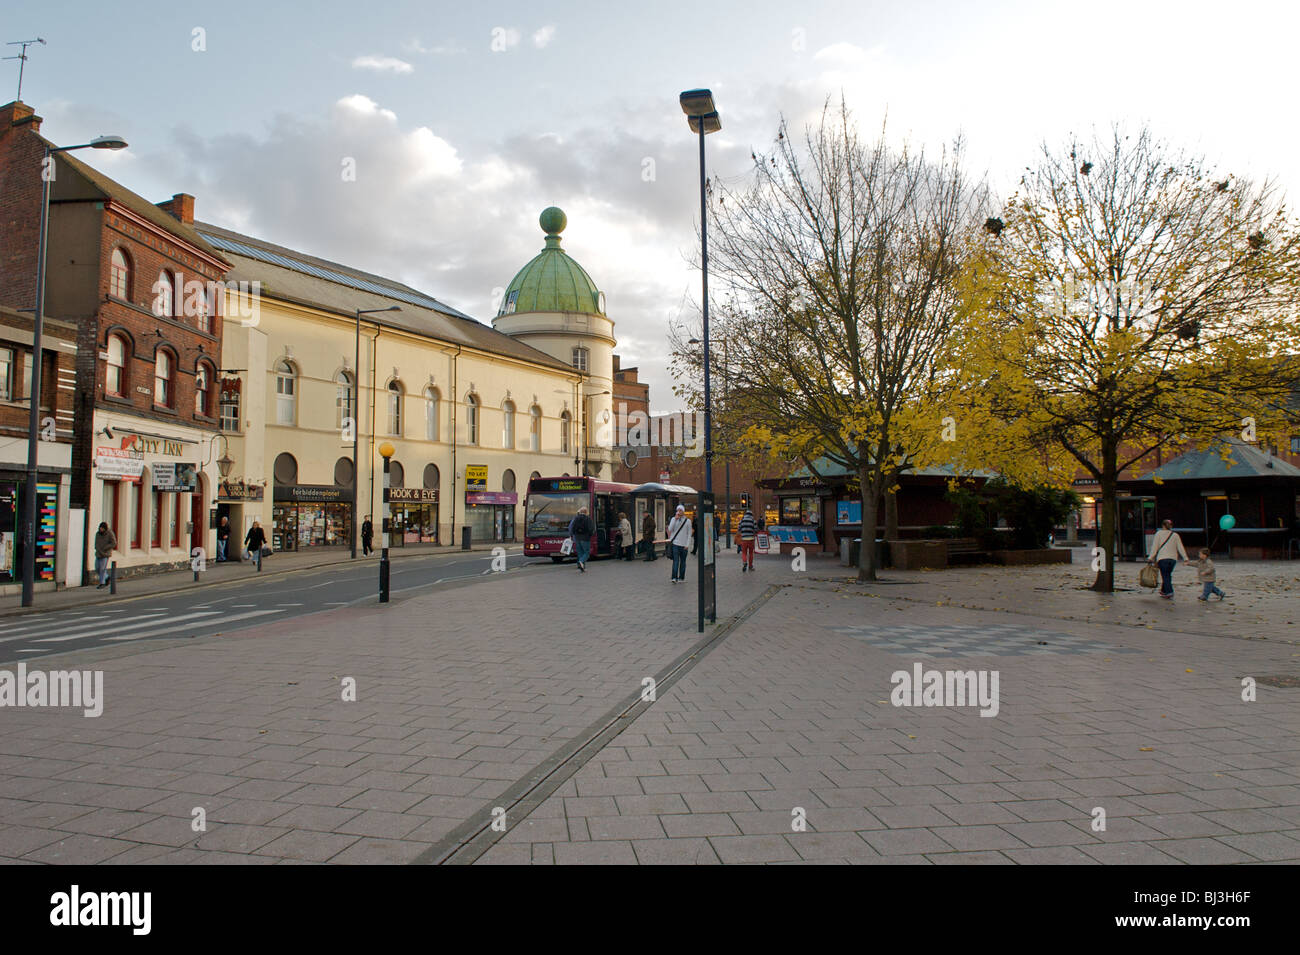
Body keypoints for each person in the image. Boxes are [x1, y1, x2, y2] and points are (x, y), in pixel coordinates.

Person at [1147, 519, 1188, 599]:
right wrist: (1185, 558)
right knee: (1167, 575)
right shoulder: (1175, 535)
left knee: (1165, 575)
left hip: (1163, 558)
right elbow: (1180, 547)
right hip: (1173, 559)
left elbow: (1155, 547)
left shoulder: (1158, 534)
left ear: (1162, 526)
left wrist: (1151, 557)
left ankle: (1169, 592)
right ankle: (1164, 591)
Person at [666, 504, 693, 583]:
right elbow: (670, 529)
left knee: (683, 562)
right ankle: (674, 577)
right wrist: (675, 519)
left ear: (683, 511)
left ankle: (681, 577)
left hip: (684, 545)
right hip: (675, 544)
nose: (679, 512)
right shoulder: (673, 519)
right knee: (676, 561)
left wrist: (687, 545)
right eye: (678, 510)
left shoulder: (688, 521)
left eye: (680, 510)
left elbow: (689, 534)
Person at [568, 506, 594, 572]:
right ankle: (581, 561)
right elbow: (591, 529)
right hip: (585, 538)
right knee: (587, 553)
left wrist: (572, 535)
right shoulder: (588, 519)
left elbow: (572, 528)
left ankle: (582, 567)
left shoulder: (576, 518)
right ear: (586, 512)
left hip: (577, 538)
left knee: (580, 553)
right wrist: (589, 535)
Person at [93, 522, 116, 589]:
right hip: (98, 553)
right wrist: (96, 548)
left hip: (105, 554)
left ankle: (102, 583)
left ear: (105, 528)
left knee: (102, 569)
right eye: (100, 528)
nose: (101, 529)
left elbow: (114, 543)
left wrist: (106, 548)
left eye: (102, 528)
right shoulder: (98, 534)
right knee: (97, 568)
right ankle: (106, 577)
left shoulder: (110, 533)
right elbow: (96, 542)